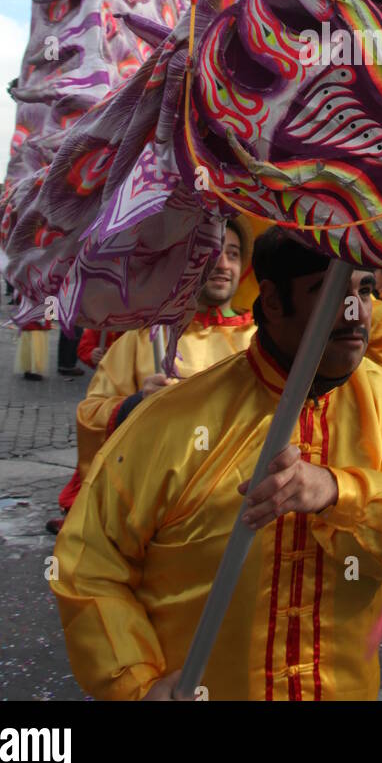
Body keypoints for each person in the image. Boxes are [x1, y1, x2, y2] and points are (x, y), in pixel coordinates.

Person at [52, 229, 382, 700]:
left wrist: (340, 492)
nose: (355, 311)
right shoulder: (172, 419)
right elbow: (89, 563)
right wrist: (135, 681)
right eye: (328, 291)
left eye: (365, 290)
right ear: (271, 301)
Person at [46, 218, 255, 534]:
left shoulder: (261, 343)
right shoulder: (144, 337)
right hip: (151, 523)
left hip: (236, 527)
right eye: (211, 252)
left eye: (234, 254)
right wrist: (136, 406)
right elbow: (90, 414)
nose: (223, 264)